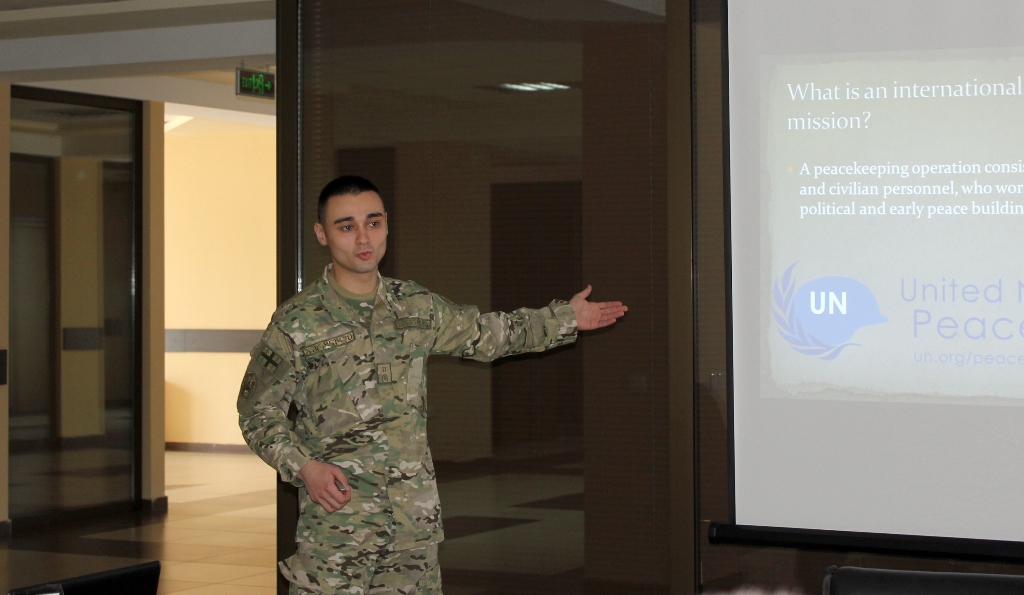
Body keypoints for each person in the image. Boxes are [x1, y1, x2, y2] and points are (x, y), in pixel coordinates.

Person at [238, 175, 627, 594]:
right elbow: (257, 413)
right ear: (322, 233)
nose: (363, 238)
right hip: (338, 533)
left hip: (412, 530)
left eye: (373, 222)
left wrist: (565, 318)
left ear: (387, 224)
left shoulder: (415, 306)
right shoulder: (297, 322)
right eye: (346, 226)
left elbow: (487, 334)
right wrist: (305, 469)